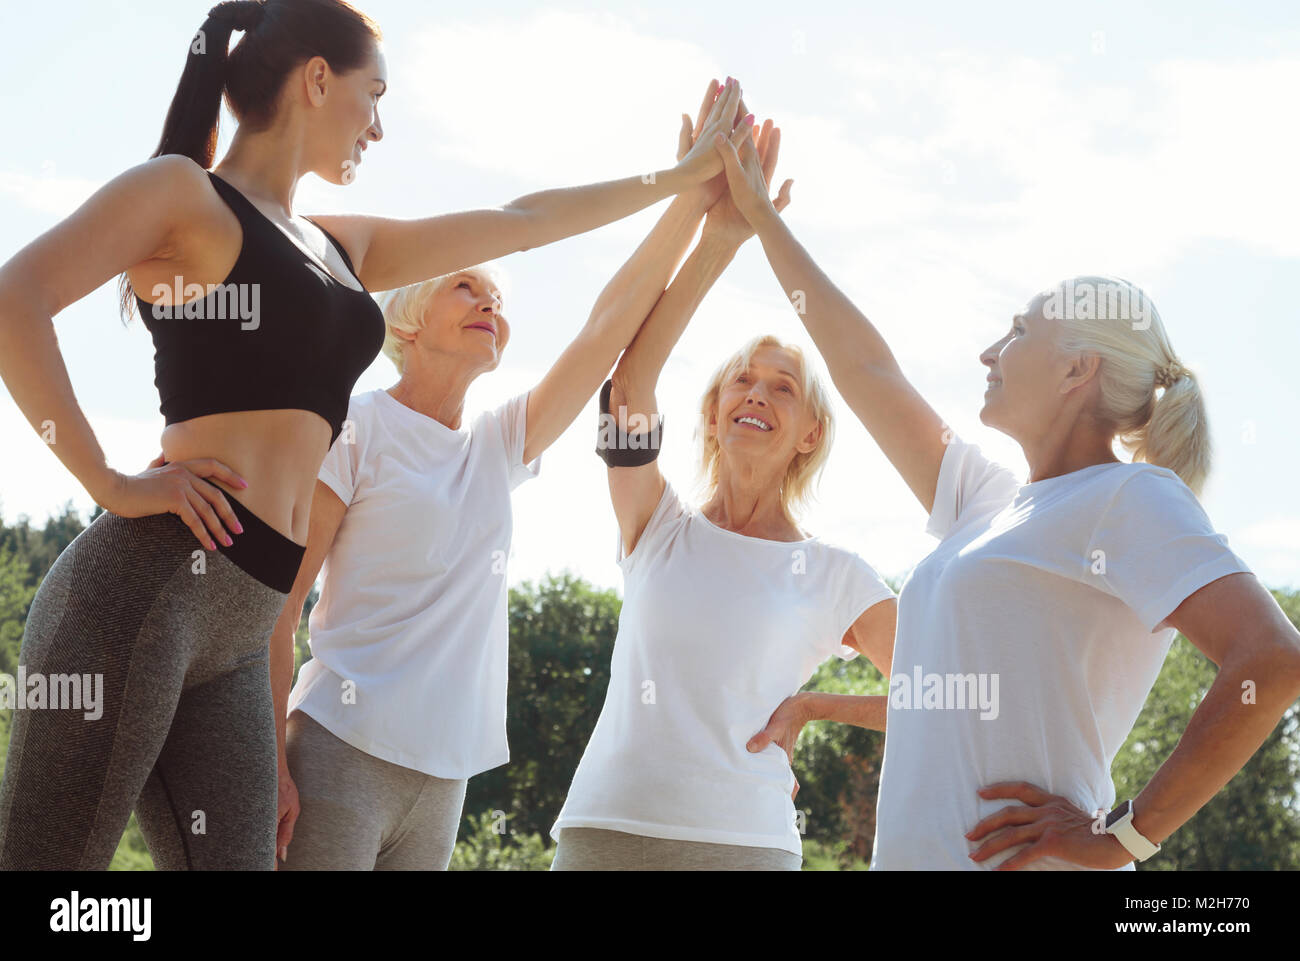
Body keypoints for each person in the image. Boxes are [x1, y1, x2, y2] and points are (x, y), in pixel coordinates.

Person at [0, 0, 738, 870]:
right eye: (373, 96)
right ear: (318, 80)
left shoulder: (337, 247)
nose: (379, 129)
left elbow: (527, 220)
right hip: (147, 590)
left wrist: (682, 179)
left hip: (242, 633)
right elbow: (18, 297)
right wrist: (113, 483)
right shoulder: (182, 194)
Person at [713, 127, 1300, 870]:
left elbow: (1272, 659)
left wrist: (1123, 836)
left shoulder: (1128, 497)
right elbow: (865, 368)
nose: (990, 352)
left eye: (1019, 331)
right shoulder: (985, 505)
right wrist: (764, 216)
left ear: (1076, 369)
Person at [271, 79, 755, 870]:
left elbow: (607, 330)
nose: (489, 303)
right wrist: (270, 754)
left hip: (445, 776)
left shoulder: (498, 444)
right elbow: (282, 604)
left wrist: (702, 208)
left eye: (498, 297)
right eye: (466, 285)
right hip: (338, 750)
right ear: (408, 318)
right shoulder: (355, 425)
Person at [549, 119, 899, 871]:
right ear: (711, 411)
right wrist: (721, 237)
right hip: (607, 826)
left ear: (809, 432)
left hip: (746, 845)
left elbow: (940, 691)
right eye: (740, 379)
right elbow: (628, 386)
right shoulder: (657, 527)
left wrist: (815, 706)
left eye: (782, 388)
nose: (756, 394)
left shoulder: (838, 573)